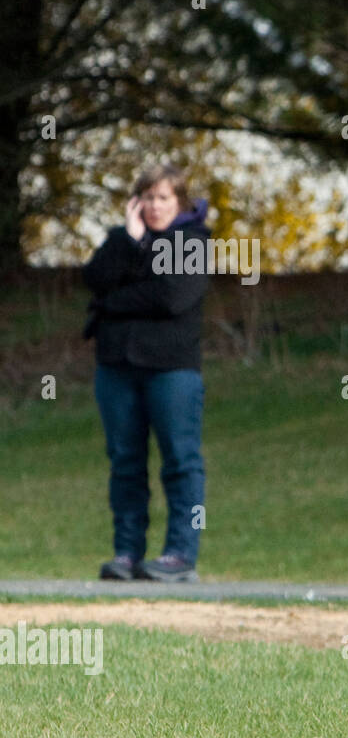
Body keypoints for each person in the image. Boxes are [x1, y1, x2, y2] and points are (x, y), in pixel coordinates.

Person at [83, 164, 210, 583]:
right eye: (148, 198)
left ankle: (181, 553)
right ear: (136, 203)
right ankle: (127, 553)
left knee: (181, 461)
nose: (155, 206)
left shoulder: (193, 241)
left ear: (181, 202)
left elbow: (171, 298)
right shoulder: (122, 240)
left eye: (164, 198)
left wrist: (111, 303)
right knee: (125, 463)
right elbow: (93, 278)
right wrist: (132, 240)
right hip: (117, 367)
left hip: (171, 370)